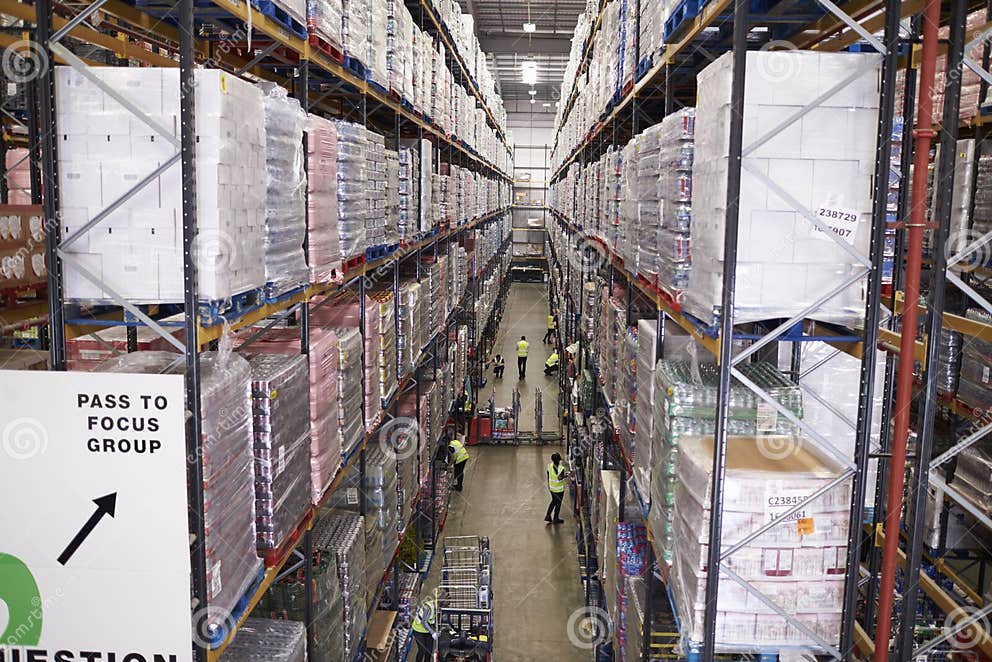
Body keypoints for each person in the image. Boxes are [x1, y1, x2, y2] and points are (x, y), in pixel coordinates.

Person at [412, 591, 440, 662]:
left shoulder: (437, 608)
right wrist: (432, 633)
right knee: (422, 650)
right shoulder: (428, 608)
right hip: (418, 630)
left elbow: (433, 620)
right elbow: (424, 622)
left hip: (427, 630)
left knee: (429, 651)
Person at [546, 452, 568, 523]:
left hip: (552, 488)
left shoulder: (549, 466)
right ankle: (555, 518)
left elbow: (548, 476)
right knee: (558, 504)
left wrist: (549, 484)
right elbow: (559, 478)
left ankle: (548, 515)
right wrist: (566, 475)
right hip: (559, 490)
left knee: (553, 501)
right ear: (558, 460)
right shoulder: (561, 468)